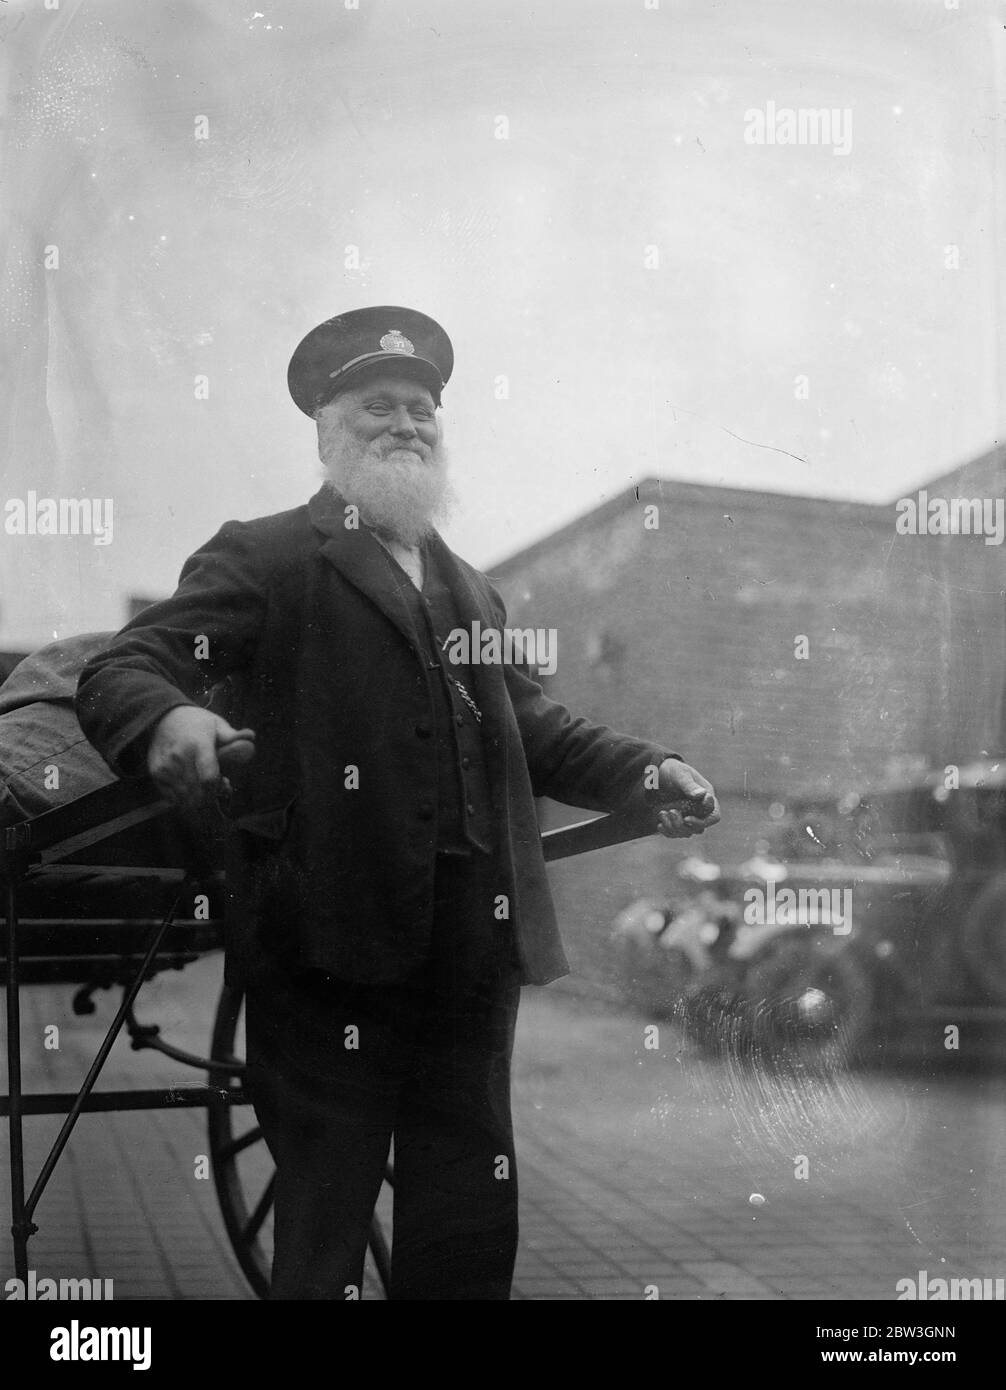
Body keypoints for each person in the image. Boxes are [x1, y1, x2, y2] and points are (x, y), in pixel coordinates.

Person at [75, 305, 721, 1300]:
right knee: (326, 1213)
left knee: (467, 1204)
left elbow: (536, 730)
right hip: (326, 943)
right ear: (328, 430)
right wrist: (167, 721)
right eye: (380, 406)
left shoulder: (472, 589)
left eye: (423, 408)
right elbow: (133, 660)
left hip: (472, 948)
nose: (408, 423)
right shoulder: (269, 555)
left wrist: (648, 768)